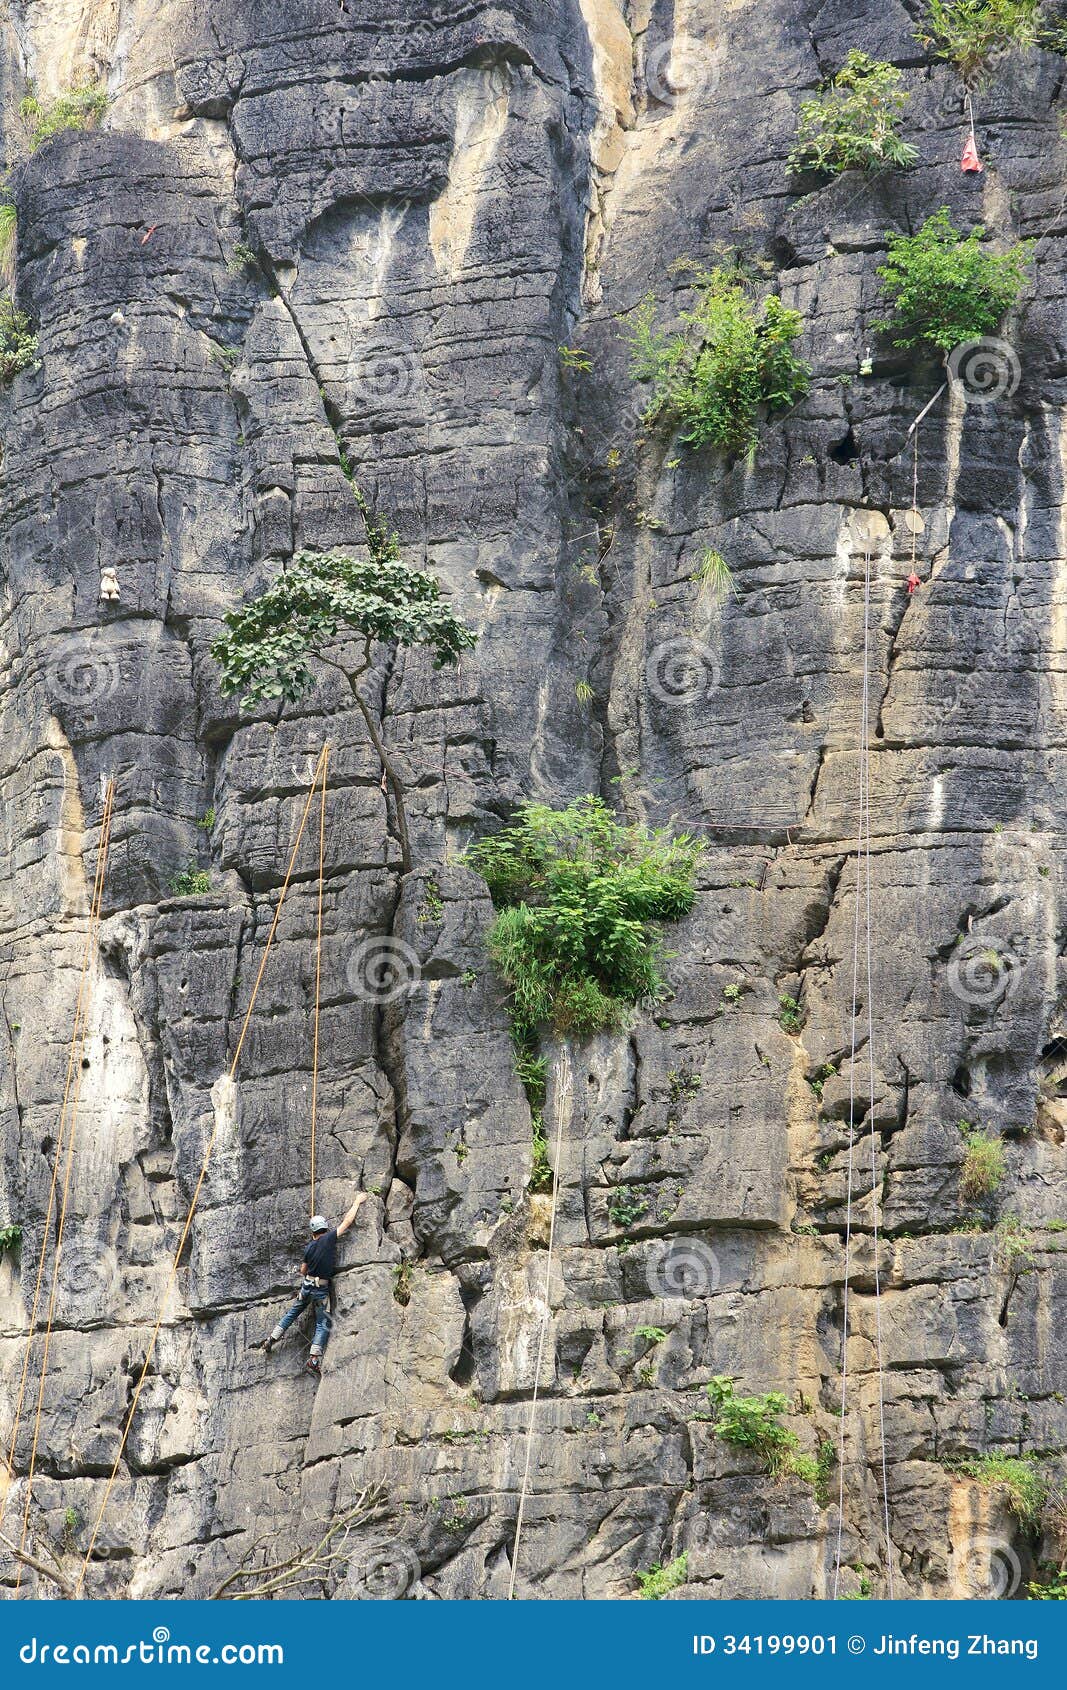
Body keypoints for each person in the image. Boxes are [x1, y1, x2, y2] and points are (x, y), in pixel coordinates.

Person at [264, 1193, 367, 1374]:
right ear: (325, 1229)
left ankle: (272, 1338)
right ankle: (313, 1359)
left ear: (313, 1233)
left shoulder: (309, 1247)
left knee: (292, 1313)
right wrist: (357, 1202)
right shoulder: (329, 1239)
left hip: (306, 1286)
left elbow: (303, 1271)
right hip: (320, 1290)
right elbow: (347, 1222)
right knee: (323, 1324)